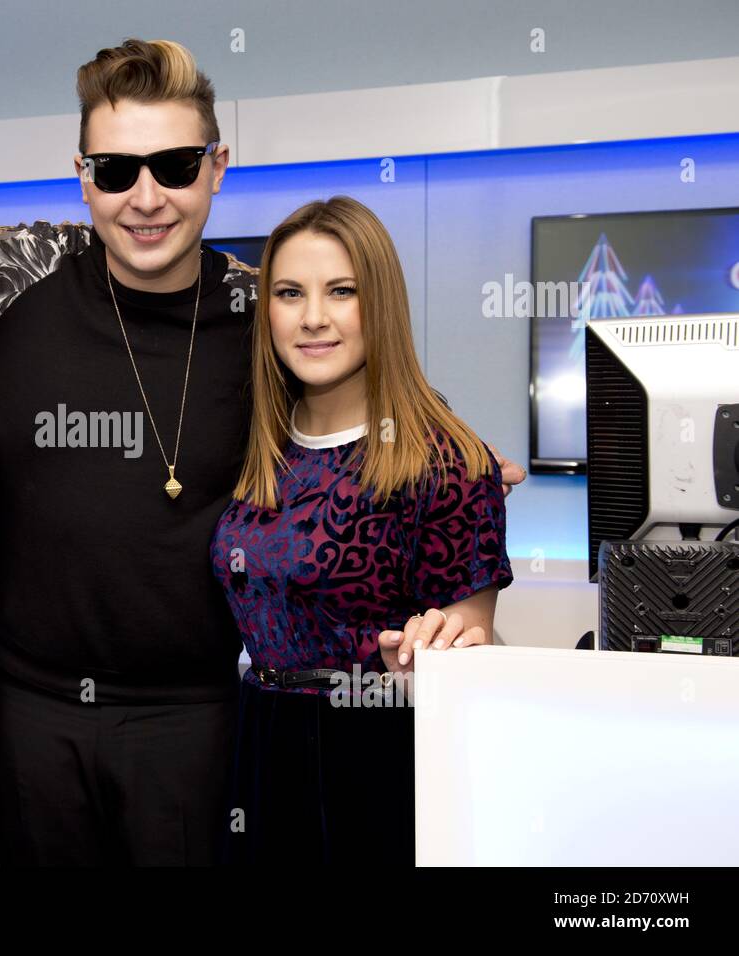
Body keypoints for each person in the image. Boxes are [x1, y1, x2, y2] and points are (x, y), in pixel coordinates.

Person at [0, 39, 526, 867]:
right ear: (83, 180)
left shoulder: (260, 310)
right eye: (115, 170)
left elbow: (363, 365)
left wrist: (454, 454)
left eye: (176, 166)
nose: (146, 195)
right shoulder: (9, 278)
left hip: (202, 726)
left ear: (216, 167)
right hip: (29, 723)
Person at [212, 196, 513, 864]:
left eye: (341, 291)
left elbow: (467, 657)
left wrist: (430, 659)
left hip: (379, 755)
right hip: (258, 745)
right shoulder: (259, 447)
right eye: (290, 293)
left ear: (379, 304)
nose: (313, 317)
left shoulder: (448, 462)